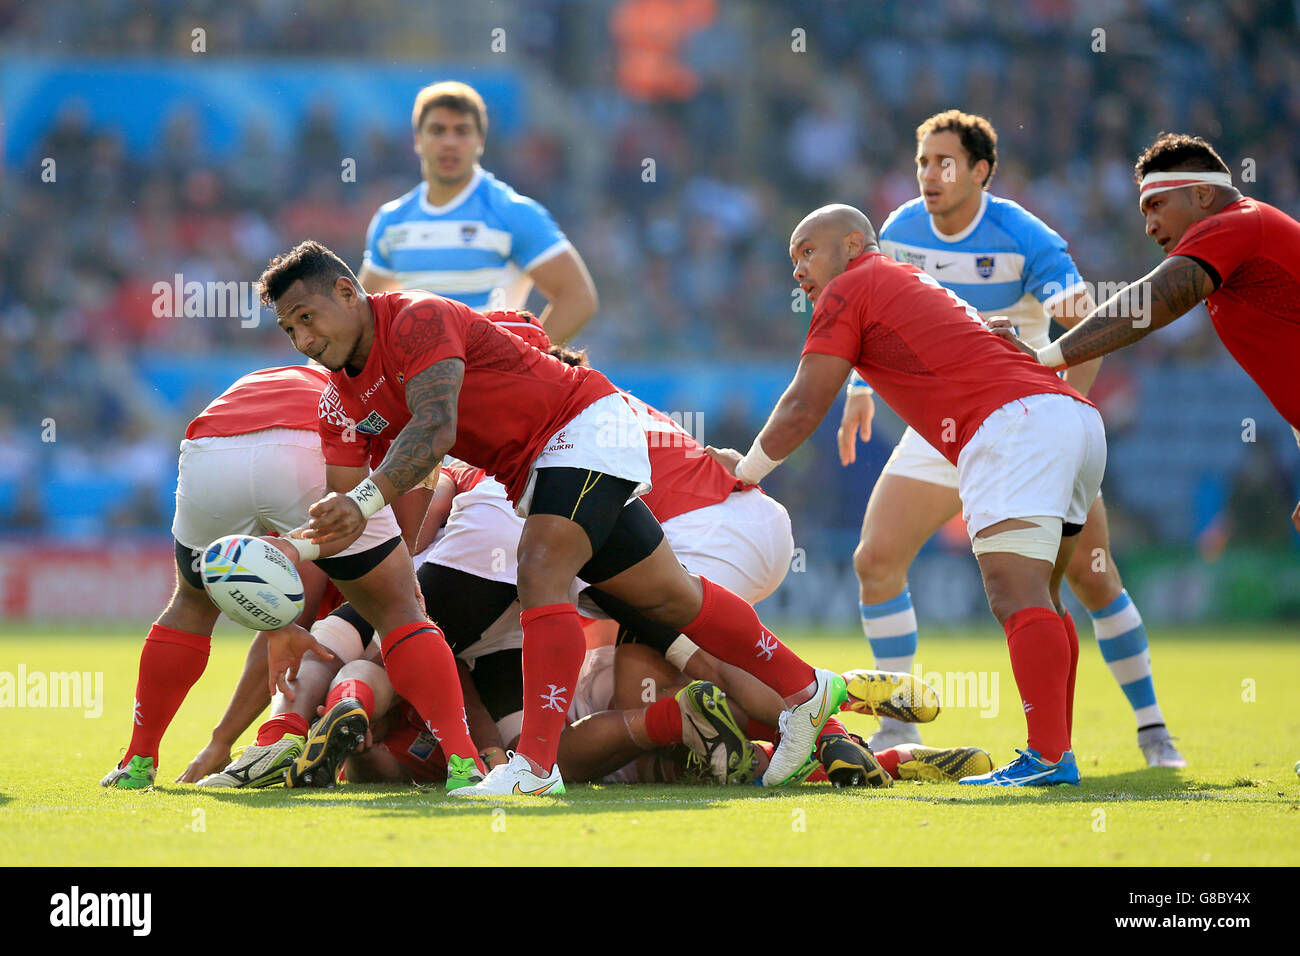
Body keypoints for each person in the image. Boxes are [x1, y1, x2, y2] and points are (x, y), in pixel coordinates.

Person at [263, 240, 846, 795]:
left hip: (580, 422)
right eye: (290, 330)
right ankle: (807, 688)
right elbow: (368, 503)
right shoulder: (339, 400)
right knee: (673, 598)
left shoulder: (417, 318)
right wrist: (299, 548)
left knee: (539, 568)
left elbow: (434, 428)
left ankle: (536, 766)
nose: (303, 338)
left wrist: (359, 503)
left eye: (307, 317)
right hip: (537, 466)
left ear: (346, 291)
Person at [707, 203, 1107, 786]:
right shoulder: (903, 281)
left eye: (808, 251)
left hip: (1012, 425)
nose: (797, 269)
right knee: (1043, 595)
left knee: (1014, 592)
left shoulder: (852, 287)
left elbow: (804, 400)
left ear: (851, 244)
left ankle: (1047, 758)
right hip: (1070, 416)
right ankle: (1055, 753)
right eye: (792, 259)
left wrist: (746, 469)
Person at [837, 110, 1184, 767]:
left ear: (980, 171)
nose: (929, 176)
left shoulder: (1025, 236)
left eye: (945, 163)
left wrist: (1059, 410)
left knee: (1091, 577)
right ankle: (894, 728)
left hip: (1019, 427)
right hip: (942, 431)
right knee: (875, 560)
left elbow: (1087, 327)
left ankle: (1152, 729)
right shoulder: (899, 230)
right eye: (922, 163)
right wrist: (860, 390)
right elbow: (868, 316)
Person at [99, 365, 403, 789]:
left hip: (212, 444)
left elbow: (283, 619)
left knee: (189, 604)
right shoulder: (368, 405)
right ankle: (466, 762)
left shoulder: (292, 374)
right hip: (304, 446)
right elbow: (295, 607)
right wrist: (221, 740)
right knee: (400, 610)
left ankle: (137, 760)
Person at [993, 132, 1300, 535]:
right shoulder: (1240, 243)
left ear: (1204, 194)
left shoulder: (1237, 222)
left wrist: (1047, 358)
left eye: (1156, 205)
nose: (1150, 226)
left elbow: (1148, 304)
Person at [356, 81, 597, 344]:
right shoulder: (391, 221)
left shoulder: (512, 213)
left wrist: (527, 367)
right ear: (418, 140)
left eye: (462, 131)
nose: (449, 142)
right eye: (437, 131)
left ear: (480, 141)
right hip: (417, 382)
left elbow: (578, 297)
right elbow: (358, 318)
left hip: (491, 383)